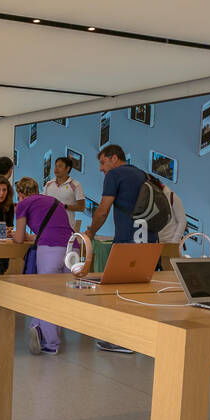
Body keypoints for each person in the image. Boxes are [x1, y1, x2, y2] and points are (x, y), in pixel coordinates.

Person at [82, 144, 155, 353]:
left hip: (127, 242)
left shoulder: (114, 175)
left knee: (120, 291)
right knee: (141, 291)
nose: (101, 169)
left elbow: (103, 209)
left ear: (114, 158)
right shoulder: (143, 174)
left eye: (103, 162)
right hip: (149, 241)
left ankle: (124, 341)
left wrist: (91, 233)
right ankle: (142, 339)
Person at [14, 177, 72, 355]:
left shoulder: (22, 204)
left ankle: (50, 342)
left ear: (20, 194)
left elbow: (19, 238)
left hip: (50, 249)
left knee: (46, 295)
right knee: (60, 295)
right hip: (72, 247)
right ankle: (38, 326)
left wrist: (14, 233)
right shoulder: (55, 201)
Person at [44, 155, 86, 231]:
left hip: (67, 228)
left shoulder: (76, 185)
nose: (56, 169)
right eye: (55, 166)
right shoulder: (48, 184)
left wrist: (65, 206)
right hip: (49, 227)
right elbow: (43, 203)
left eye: (60, 166)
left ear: (68, 168)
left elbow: (81, 207)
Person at [146, 173, 186, 244]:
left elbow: (182, 222)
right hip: (156, 242)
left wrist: (174, 242)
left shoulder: (172, 196)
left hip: (170, 241)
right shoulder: (151, 196)